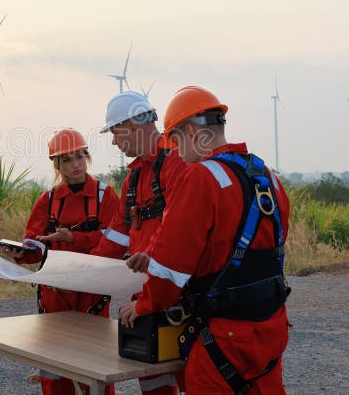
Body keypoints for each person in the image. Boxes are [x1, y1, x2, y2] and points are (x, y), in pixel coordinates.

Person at [119, 86, 291, 394]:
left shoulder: (200, 178)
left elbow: (169, 268)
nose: (177, 152)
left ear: (190, 133)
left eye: (176, 141)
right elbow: (271, 246)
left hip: (224, 338)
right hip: (270, 329)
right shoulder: (268, 177)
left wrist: (144, 306)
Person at [2, 128, 119, 395]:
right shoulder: (49, 199)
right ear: (57, 164)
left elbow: (115, 243)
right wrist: (23, 254)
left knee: (96, 367)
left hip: (92, 293)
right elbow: (35, 243)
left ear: (86, 157)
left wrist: (73, 238)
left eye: (79, 157)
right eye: (67, 160)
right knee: (54, 370)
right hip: (55, 294)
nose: (75, 165)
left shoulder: (105, 197)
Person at [90, 91, 188, 395]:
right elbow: (116, 236)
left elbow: (180, 225)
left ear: (132, 126)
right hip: (145, 293)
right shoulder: (133, 178)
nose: (114, 142)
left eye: (115, 133)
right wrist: (84, 268)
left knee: (190, 374)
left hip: (178, 293)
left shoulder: (177, 161)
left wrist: (151, 254)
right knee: (153, 375)